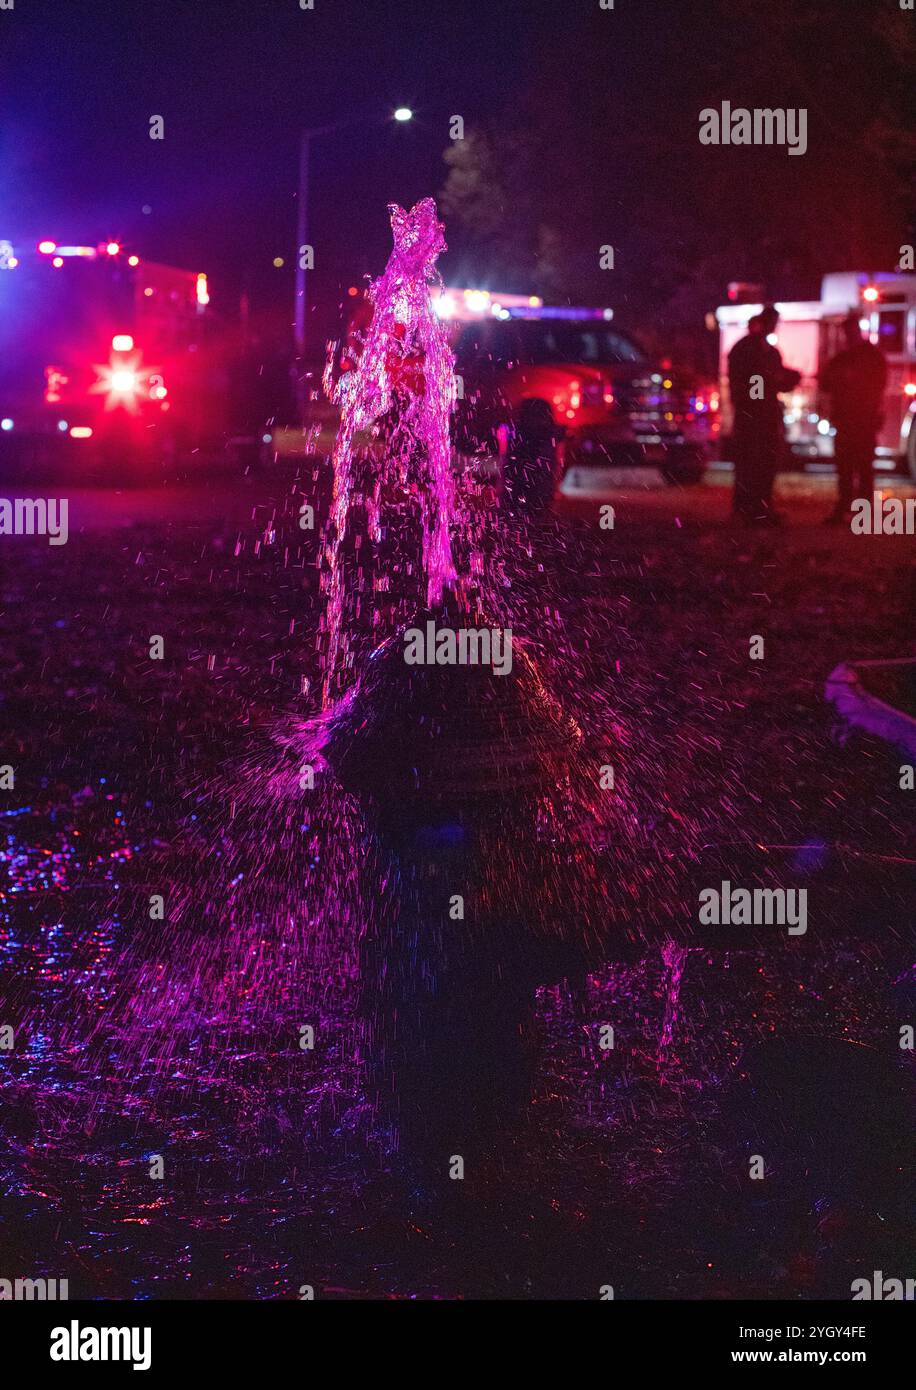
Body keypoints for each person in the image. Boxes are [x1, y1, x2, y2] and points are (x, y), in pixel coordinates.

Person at [728, 307, 801, 525]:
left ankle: (757, 506)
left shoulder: (766, 351)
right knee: (752, 462)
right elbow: (755, 384)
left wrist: (785, 380)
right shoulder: (750, 350)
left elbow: (768, 381)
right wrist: (771, 386)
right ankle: (749, 508)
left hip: (761, 414)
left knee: (762, 463)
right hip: (753, 416)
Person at [819, 313, 887, 525]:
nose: (848, 336)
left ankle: (859, 511)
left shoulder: (866, 357)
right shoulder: (849, 358)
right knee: (848, 467)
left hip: (862, 421)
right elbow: (825, 384)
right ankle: (849, 508)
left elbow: (878, 385)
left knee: (862, 467)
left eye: (850, 332)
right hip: (850, 421)